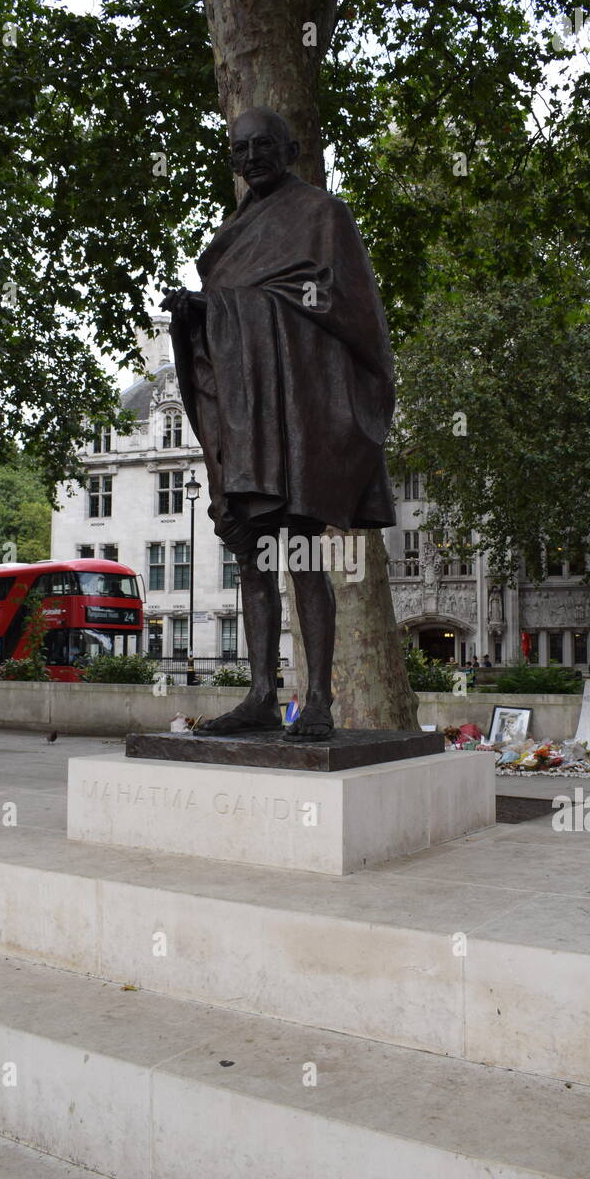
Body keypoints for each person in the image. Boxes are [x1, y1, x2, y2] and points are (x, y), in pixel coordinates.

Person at [162, 106, 396, 739]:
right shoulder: (234, 232)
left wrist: (237, 306)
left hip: (298, 413)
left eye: (265, 145)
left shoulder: (322, 214)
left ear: (291, 149)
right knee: (251, 561)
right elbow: (236, 306)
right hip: (245, 419)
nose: (251, 156)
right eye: (240, 149)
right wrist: (200, 310)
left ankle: (317, 698)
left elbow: (339, 304)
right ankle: (262, 694)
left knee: (301, 554)